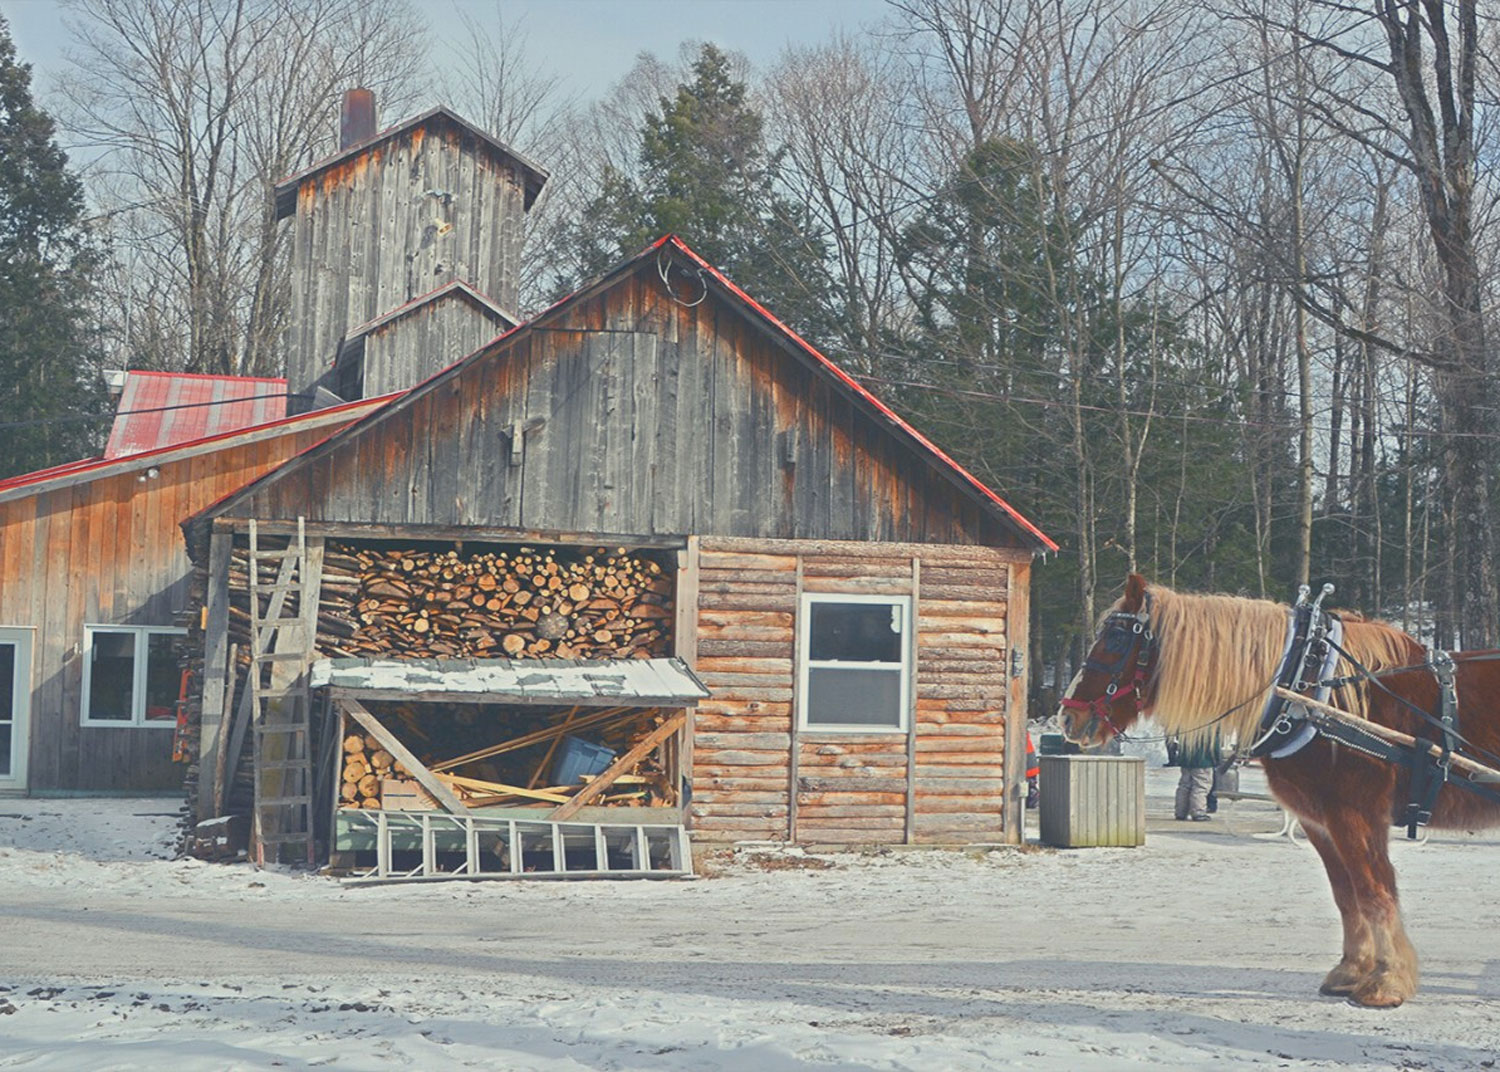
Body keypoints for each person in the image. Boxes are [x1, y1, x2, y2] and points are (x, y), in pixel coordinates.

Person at [1169, 733, 1217, 821]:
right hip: (1203, 761)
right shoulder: (1209, 725)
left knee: (1184, 786)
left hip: (1186, 760)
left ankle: (1180, 812)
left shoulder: (1185, 723)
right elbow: (1215, 745)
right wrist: (1217, 760)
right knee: (1201, 786)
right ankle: (1198, 812)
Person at [1025, 730, 1040, 809]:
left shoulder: (1020, 736)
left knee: (1030, 787)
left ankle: (1032, 804)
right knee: (1031, 786)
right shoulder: (1023, 734)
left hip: (1028, 767)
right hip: (1031, 766)